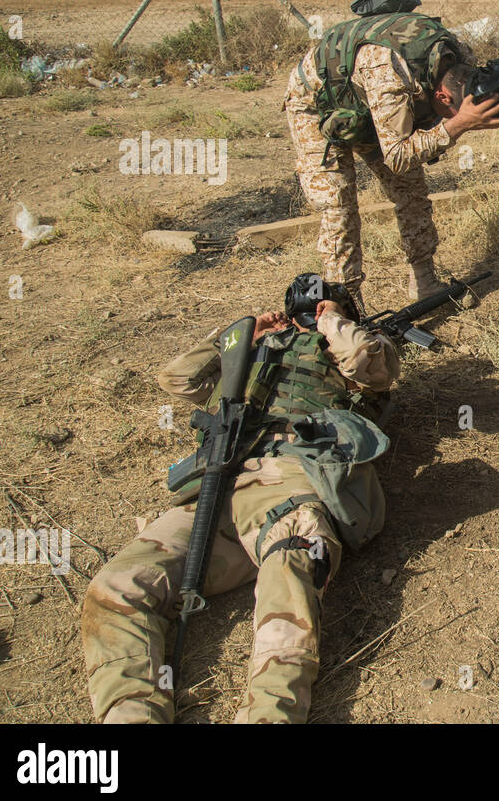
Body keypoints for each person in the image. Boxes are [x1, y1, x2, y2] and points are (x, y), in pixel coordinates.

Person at [81, 275, 400, 723]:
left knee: (292, 571)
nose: (316, 312)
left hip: (293, 478)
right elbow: (175, 378)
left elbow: (372, 366)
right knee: (116, 587)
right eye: (311, 307)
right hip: (215, 487)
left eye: (329, 306)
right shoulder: (244, 358)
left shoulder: (353, 349)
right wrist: (234, 338)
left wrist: (334, 325)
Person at [285, 0, 499, 306]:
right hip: (318, 105)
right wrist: (458, 124)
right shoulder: (389, 72)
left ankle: (424, 284)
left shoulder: (459, 56)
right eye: (451, 109)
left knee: (412, 192)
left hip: (370, 103)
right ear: (441, 96)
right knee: (339, 206)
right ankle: (346, 311)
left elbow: (410, 150)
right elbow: (396, 155)